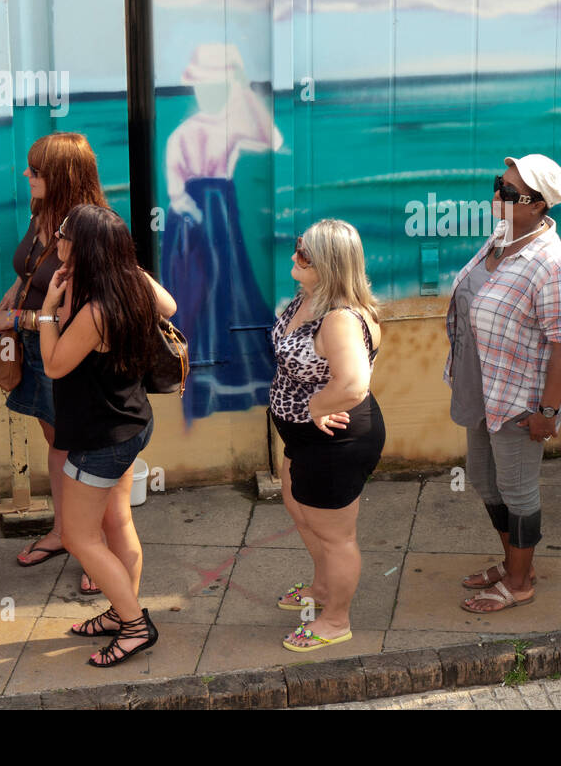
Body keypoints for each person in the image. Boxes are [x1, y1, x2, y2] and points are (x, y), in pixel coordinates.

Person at [40, 205, 177, 667]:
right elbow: (171, 306)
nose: (57, 239)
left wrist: (45, 313)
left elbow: (56, 363)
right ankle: (124, 611)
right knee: (117, 523)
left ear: (81, 247)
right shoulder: (129, 284)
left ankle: (136, 626)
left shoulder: (98, 309)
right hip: (131, 422)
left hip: (101, 437)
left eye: (62, 233)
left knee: (80, 538)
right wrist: (122, 263)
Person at [446, 155, 561, 613]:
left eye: (508, 193)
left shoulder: (551, 265)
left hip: (520, 401)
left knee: (518, 490)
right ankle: (512, 563)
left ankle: (520, 582)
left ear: (539, 206)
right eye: (497, 185)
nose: (496, 197)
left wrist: (547, 412)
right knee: (486, 481)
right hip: (483, 387)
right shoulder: (503, 236)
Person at [0, 132, 108, 593]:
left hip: (69, 353)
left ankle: (96, 548)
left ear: (60, 176)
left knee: (83, 449)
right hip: (40, 347)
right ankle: (66, 532)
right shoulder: (42, 213)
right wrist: (14, 301)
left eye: (35, 170)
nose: (27, 175)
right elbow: (29, 270)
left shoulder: (89, 228)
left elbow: (84, 308)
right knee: (55, 438)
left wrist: (16, 317)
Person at [268, 219, 385, 652]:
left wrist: (316, 408)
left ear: (330, 265)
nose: (295, 257)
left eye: (306, 254)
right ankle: (320, 590)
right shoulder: (310, 297)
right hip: (304, 437)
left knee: (336, 537)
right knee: (301, 511)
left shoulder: (338, 319)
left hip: (333, 441)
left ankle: (336, 620)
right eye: (299, 247)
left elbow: (354, 385)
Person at [163, 43, 280, 420]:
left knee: (232, 296)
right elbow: (177, 194)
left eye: (218, 84)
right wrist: (199, 221)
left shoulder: (229, 126)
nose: (208, 91)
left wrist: (244, 88)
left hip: (219, 220)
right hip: (199, 224)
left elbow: (273, 140)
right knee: (202, 300)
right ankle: (201, 383)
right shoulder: (183, 134)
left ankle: (220, 385)